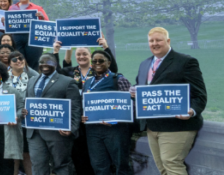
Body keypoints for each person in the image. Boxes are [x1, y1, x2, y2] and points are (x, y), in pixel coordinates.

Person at [133, 26, 207, 175]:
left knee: (172, 164)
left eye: (158, 40)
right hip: (152, 126)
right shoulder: (144, 64)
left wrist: (191, 111)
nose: (155, 43)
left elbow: (200, 95)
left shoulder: (186, 61)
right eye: (151, 41)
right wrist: (134, 91)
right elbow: (142, 87)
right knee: (162, 168)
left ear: (168, 41)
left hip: (177, 125)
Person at [25, 55, 81, 175]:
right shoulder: (32, 80)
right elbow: (27, 102)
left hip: (58, 132)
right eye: (41, 62)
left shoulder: (67, 81)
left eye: (48, 62)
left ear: (55, 64)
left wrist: (72, 127)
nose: (44, 64)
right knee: (38, 165)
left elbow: (76, 107)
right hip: (35, 133)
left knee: (61, 165)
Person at [81, 50, 130, 175]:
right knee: (99, 166)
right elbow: (84, 105)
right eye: (94, 61)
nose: (97, 63)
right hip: (93, 131)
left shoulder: (118, 79)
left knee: (121, 165)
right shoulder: (87, 83)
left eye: (101, 61)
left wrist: (116, 120)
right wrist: (83, 116)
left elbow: (131, 106)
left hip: (115, 130)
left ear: (109, 63)